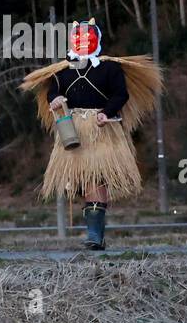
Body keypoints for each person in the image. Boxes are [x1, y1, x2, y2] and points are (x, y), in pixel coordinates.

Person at [20, 19, 162, 249]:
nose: (83, 42)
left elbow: (120, 94)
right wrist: (54, 99)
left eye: (88, 38)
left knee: (97, 179)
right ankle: (96, 234)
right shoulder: (61, 71)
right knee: (83, 182)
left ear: (97, 39)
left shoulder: (110, 68)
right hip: (72, 129)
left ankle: (95, 235)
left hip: (102, 129)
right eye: (78, 38)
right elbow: (52, 92)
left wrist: (107, 113)